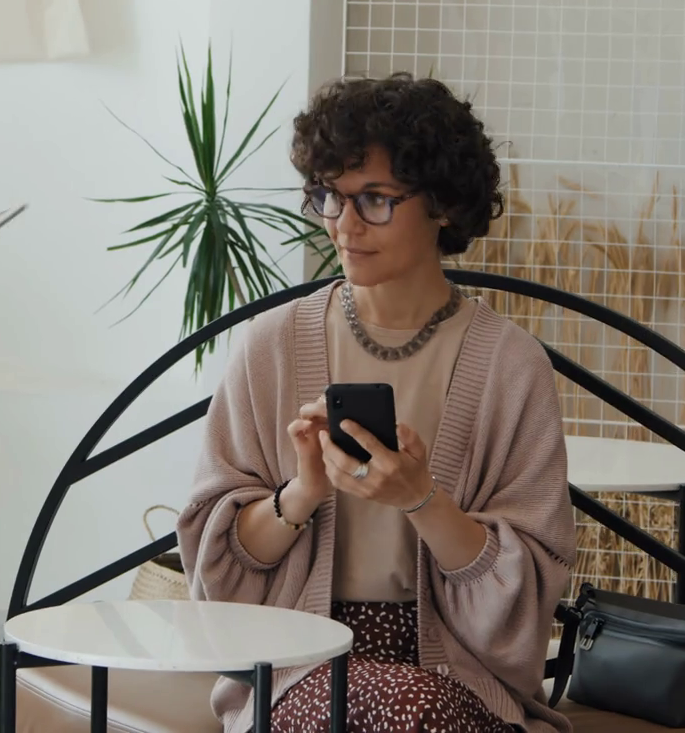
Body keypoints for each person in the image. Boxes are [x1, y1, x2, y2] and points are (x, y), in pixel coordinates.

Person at [179, 74, 576, 733]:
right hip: (293, 662)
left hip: (455, 672)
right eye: (329, 198)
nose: (345, 225)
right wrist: (300, 494)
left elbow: (525, 597)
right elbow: (215, 575)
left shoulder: (510, 366)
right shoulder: (274, 345)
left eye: (376, 200)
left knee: (410, 706)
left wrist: (421, 499)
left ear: (443, 204)